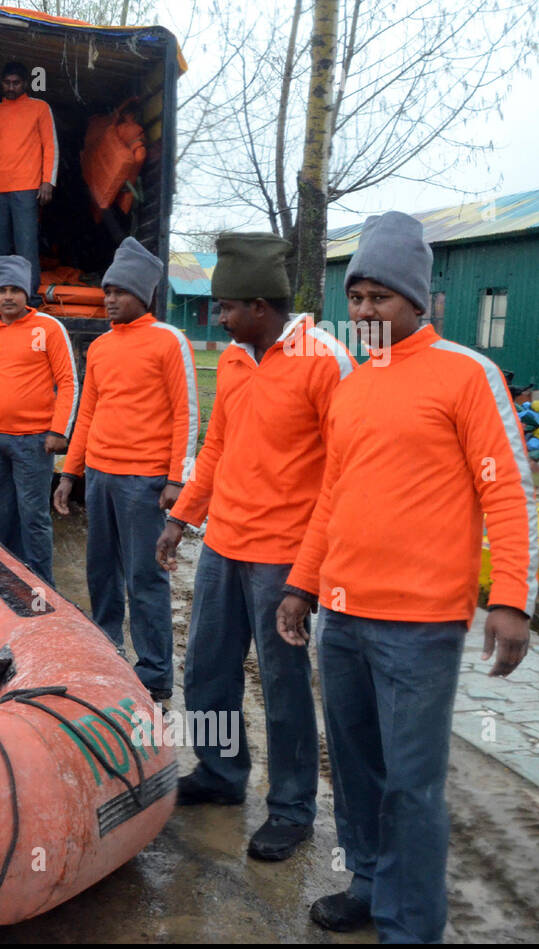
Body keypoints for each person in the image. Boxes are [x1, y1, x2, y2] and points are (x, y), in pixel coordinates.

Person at [277, 211, 536, 942]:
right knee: (355, 767)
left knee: (412, 785)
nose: (363, 312)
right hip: (343, 618)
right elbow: (332, 497)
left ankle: (411, 931)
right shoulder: (354, 389)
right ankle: (366, 881)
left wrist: (511, 597)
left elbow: (507, 490)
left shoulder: (465, 374)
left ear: (416, 299)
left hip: (419, 627)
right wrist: (303, 584)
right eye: (355, 297)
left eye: (379, 298)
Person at [154, 232, 355, 861]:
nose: (219, 319)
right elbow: (216, 449)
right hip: (224, 544)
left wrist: (311, 573)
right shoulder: (240, 361)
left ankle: (292, 809)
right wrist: (182, 520)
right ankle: (219, 773)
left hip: (284, 558)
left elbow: (346, 471)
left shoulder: (325, 361)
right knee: (208, 669)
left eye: (226, 308)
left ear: (260, 306)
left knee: (283, 682)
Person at [53, 237, 196, 700]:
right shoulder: (99, 347)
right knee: (101, 571)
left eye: (118, 291)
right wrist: (70, 473)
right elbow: (87, 414)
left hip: (144, 482)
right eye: (106, 291)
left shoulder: (169, 341)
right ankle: (107, 647)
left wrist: (177, 480)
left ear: (144, 294)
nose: (109, 299)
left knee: (145, 576)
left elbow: (185, 413)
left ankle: (154, 672)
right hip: (99, 476)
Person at [0, 254, 77, 584]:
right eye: (2, 290)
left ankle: (41, 590)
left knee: (34, 517)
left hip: (35, 440)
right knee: (5, 515)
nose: (8, 296)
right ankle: (12, 584)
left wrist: (58, 430)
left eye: (15, 290)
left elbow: (68, 381)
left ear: (27, 293)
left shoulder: (49, 328)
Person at [0, 61, 58, 300]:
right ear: (1, 83)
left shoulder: (40, 108)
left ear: (26, 83)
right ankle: (1, 296)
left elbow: (50, 146)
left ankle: (29, 296)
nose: (11, 87)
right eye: (7, 83)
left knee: (26, 246)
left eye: (16, 83)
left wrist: (47, 181)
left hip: (27, 187)